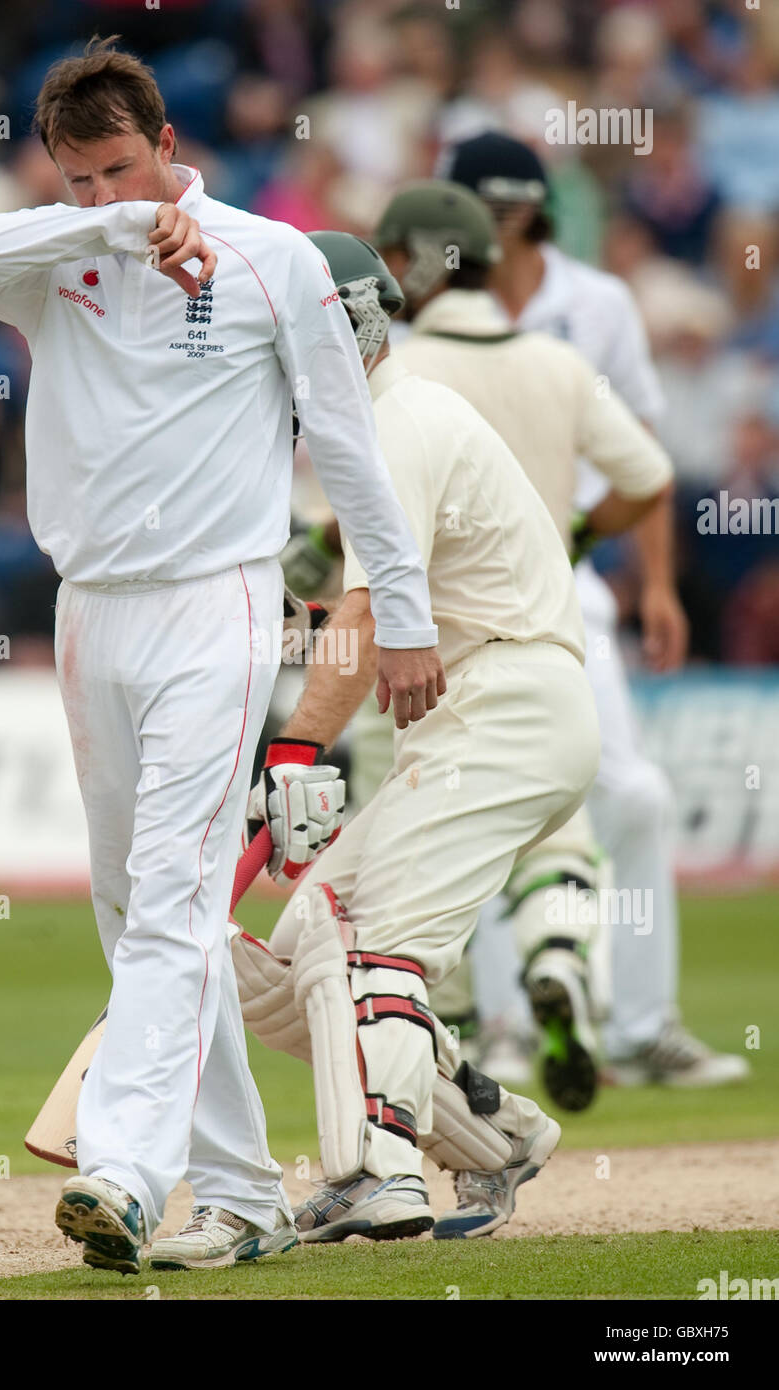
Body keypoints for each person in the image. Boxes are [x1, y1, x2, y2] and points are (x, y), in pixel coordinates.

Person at [0, 37, 444, 1275]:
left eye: (121, 171)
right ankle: (238, 1187)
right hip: (90, 609)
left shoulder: (271, 261)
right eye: (77, 179)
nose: (102, 194)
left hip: (215, 606)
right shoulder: (63, 260)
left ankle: (124, 1169)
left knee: (171, 892)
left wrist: (406, 617)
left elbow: (347, 445)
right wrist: (104, 231)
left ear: (170, 145)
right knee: (141, 913)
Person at [234, 230, 599, 1241]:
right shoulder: (372, 429)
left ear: (336, 325)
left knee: (376, 940)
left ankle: (374, 1169)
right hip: (474, 710)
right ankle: (497, 1138)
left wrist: (298, 750)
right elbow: (353, 609)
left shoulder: (394, 422)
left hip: (510, 699)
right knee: (302, 947)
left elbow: (360, 622)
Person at [445, 131, 749, 1087]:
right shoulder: (427, 313)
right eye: (479, 209)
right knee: (476, 800)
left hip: (565, 576)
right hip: (456, 584)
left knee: (636, 795)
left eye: (511, 206)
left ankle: (639, 1026)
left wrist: (655, 584)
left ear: (539, 205)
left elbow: (642, 456)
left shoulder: (599, 303)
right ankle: (500, 1024)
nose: (499, 226)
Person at [367, 178, 674, 1110]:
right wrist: (575, 534)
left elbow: (346, 532)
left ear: (409, 262)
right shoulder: (557, 362)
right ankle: (557, 958)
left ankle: (438, 1064)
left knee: (409, 869)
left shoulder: (402, 371)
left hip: (426, 650)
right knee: (557, 826)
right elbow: (650, 475)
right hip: (547, 631)